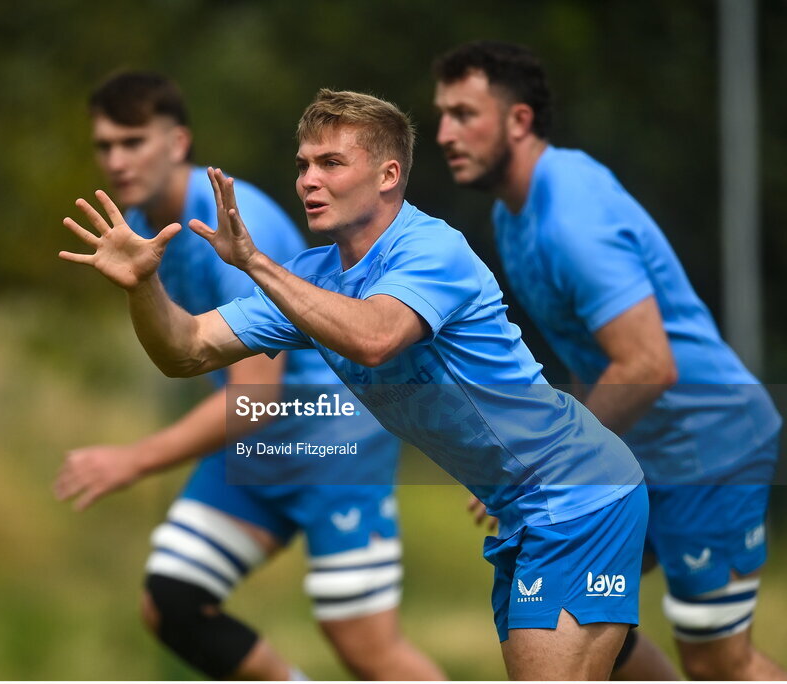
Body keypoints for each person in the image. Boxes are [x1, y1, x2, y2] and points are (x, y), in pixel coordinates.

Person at [59, 86, 651, 680]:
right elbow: (185, 351)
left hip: (579, 493)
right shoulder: (312, 276)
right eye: (303, 165)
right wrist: (142, 287)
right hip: (524, 506)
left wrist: (255, 264)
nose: (308, 181)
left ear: (388, 174)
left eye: (331, 163)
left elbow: (376, 337)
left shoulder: (431, 248)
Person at [53, 71, 442, 681]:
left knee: (366, 648)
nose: (118, 159)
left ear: (178, 142)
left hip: (330, 442)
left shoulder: (226, 222)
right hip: (255, 450)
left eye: (134, 142)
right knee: (172, 603)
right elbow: (182, 351)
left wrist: (137, 458)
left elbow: (255, 399)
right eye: (106, 145)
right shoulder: (136, 225)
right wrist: (142, 283)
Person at [432, 40, 784, 680]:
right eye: (442, 115)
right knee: (578, 621)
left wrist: (548, 456)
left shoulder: (571, 215)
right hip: (639, 454)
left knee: (719, 664)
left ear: (519, 121)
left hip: (710, 444)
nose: (444, 133)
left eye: (464, 114)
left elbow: (647, 361)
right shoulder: (513, 216)